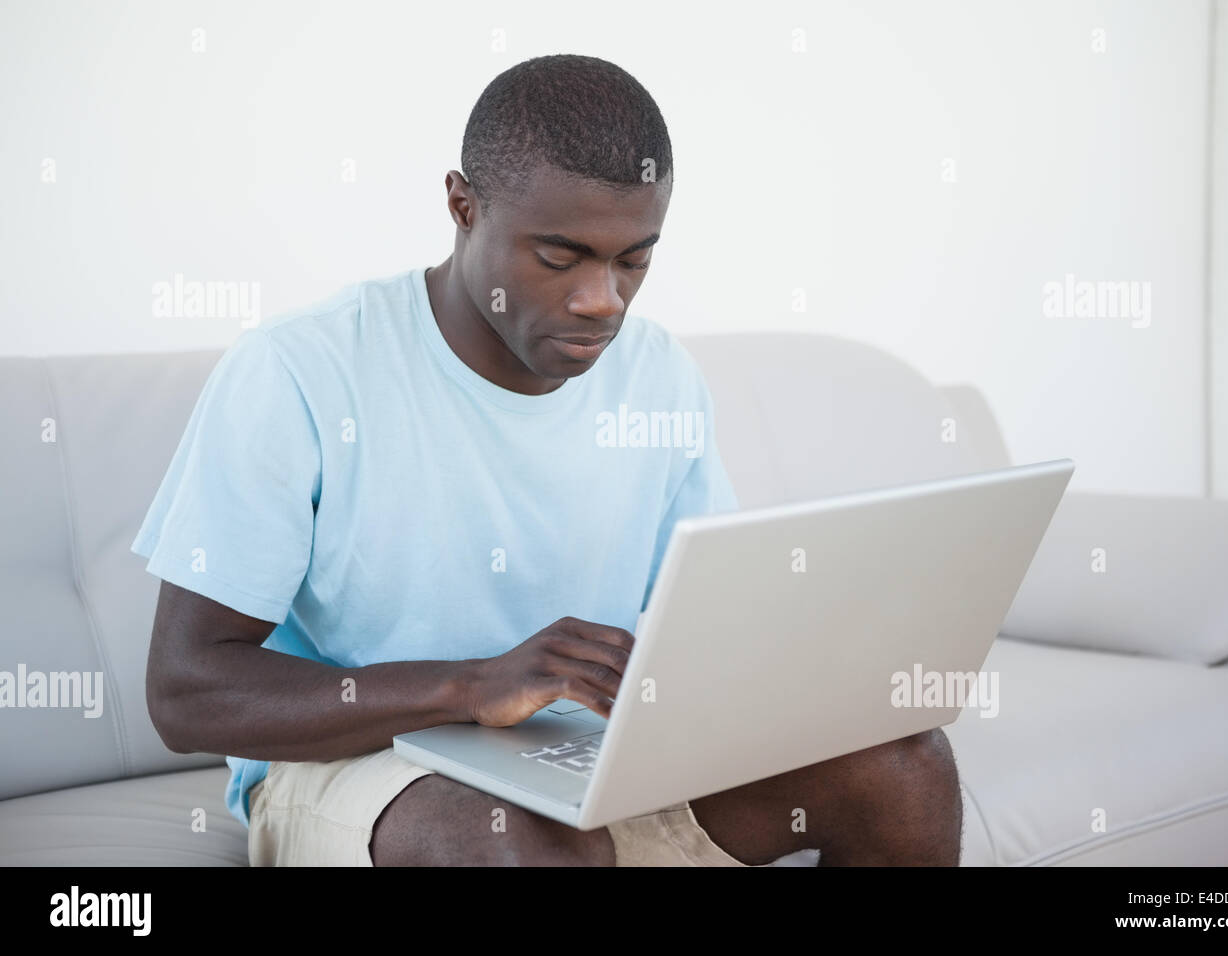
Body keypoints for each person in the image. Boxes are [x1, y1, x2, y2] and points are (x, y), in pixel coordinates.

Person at [133, 53, 961, 866]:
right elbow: (186, 691)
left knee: (902, 766)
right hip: (365, 767)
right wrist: (470, 686)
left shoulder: (659, 375)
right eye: (559, 257)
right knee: (505, 836)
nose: (602, 300)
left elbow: (704, 625)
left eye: (633, 259)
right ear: (462, 205)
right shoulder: (299, 371)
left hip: (584, 758)